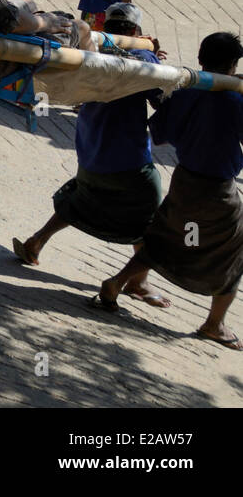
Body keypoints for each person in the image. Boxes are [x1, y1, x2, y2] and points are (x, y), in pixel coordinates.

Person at [11, 3, 169, 306]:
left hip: (90, 151)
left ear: (106, 26)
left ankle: (36, 242)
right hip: (128, 160)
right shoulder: (143, 58)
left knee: (83, 197)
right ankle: (135, 282)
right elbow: (163, 100)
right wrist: (158, 66)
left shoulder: (91, 51)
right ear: (135, 32)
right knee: (151, 220)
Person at [95, 32, 243, 350]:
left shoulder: (186, 90)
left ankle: (115, 283)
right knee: (233, 254)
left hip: (185, 180)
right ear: (233, 65)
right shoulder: (235, 98)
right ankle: (214, 324)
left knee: (163, 238)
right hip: (217, 191)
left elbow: (161, 133)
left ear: (201, 59)